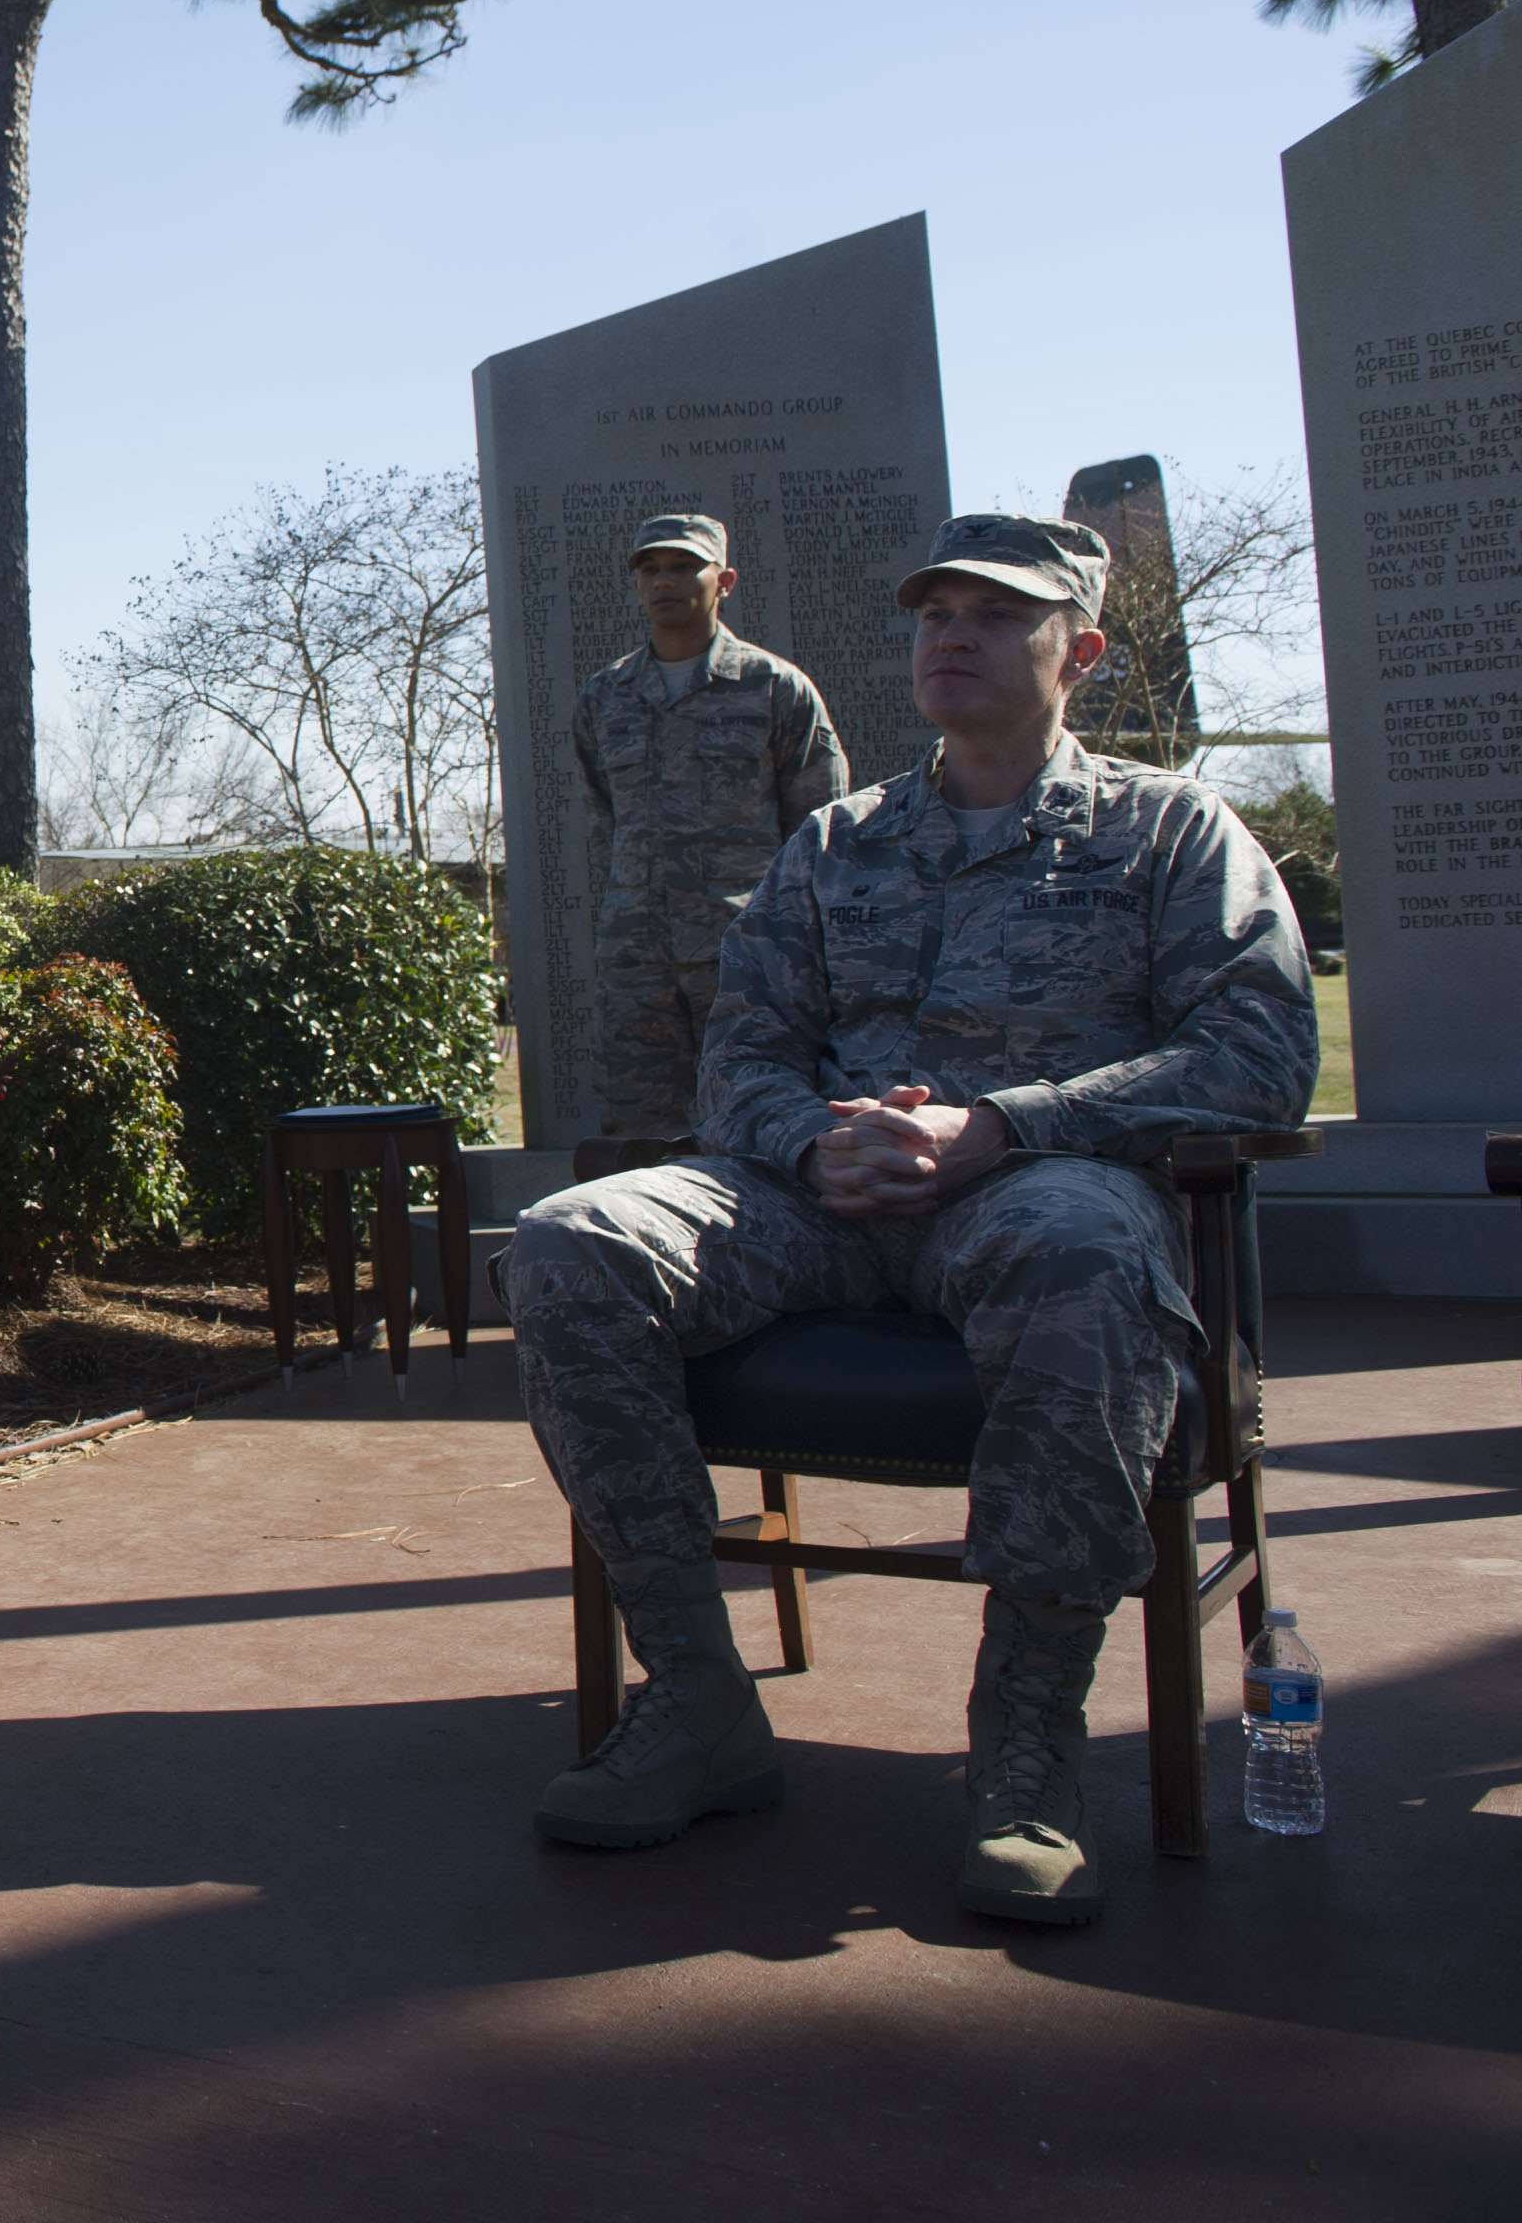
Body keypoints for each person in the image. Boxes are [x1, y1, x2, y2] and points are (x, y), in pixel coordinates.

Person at [503, 511, 1315, 1924]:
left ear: (1084, 652)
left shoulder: (1171, 831)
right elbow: (741, 1050)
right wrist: (815, 1145)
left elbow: (1256, 1050)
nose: (954, 634)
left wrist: (1004, 1126)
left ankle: (1025, 1739)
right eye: (937, 612)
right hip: (825, 1200)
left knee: (1085, 1261)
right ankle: (699, 1699)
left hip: (1035, 1189)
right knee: (575, 1242)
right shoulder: (839, 841)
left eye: (999, 615)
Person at [572, 513, 848, 1140]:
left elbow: (819, 836)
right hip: (635, 962)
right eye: (649, 569)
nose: (663, 581)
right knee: (636, 1136)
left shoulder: (776, 690)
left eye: (682, 566)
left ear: (724, 580)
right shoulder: (604, 697)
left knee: (755, 1121)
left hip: (743, 954)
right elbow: (604, 820)